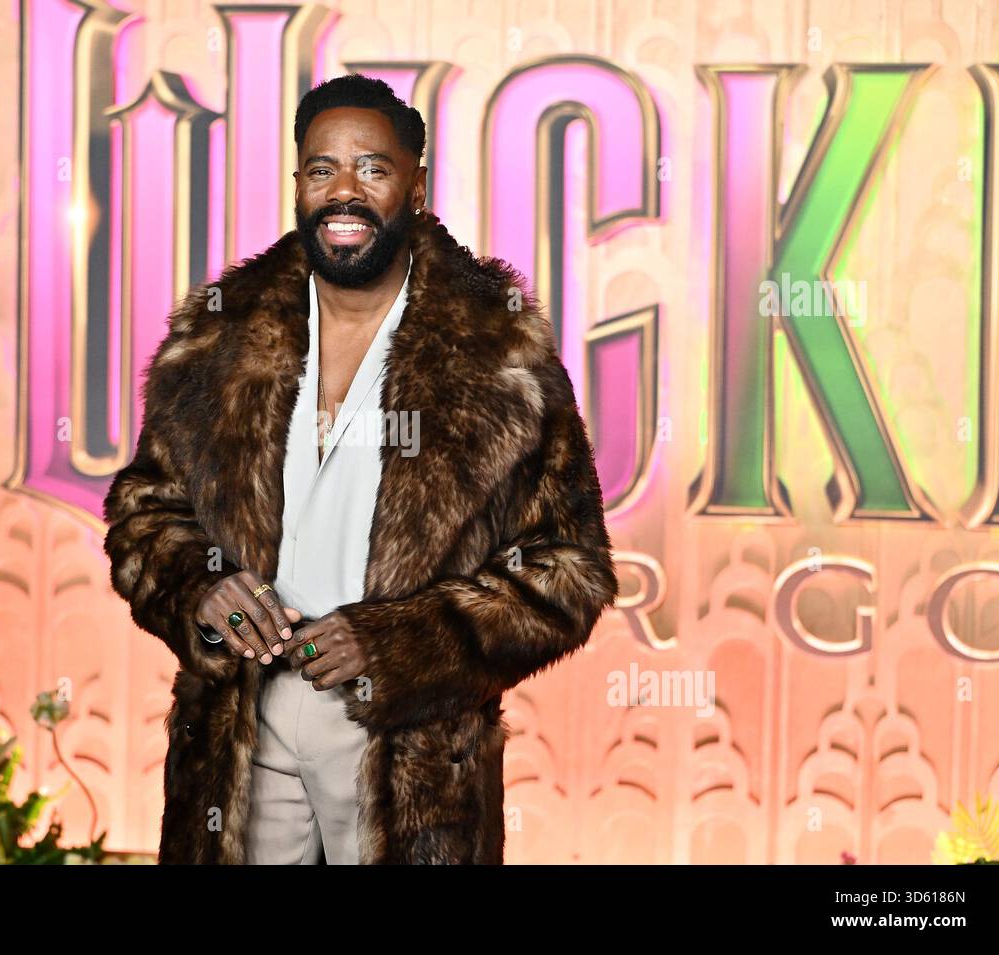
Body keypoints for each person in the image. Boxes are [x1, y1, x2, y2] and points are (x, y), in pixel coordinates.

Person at [103, 73, 618, 864]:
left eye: (372, 169)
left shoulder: (498, 352)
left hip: (408, 748)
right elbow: (143, 513)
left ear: (416, 187)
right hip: (244, 727)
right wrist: (201, 585)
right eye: (322, 170)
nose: (344, 191)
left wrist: (400, 644)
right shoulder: (217, 338)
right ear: (299, 184)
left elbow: (570, 572)